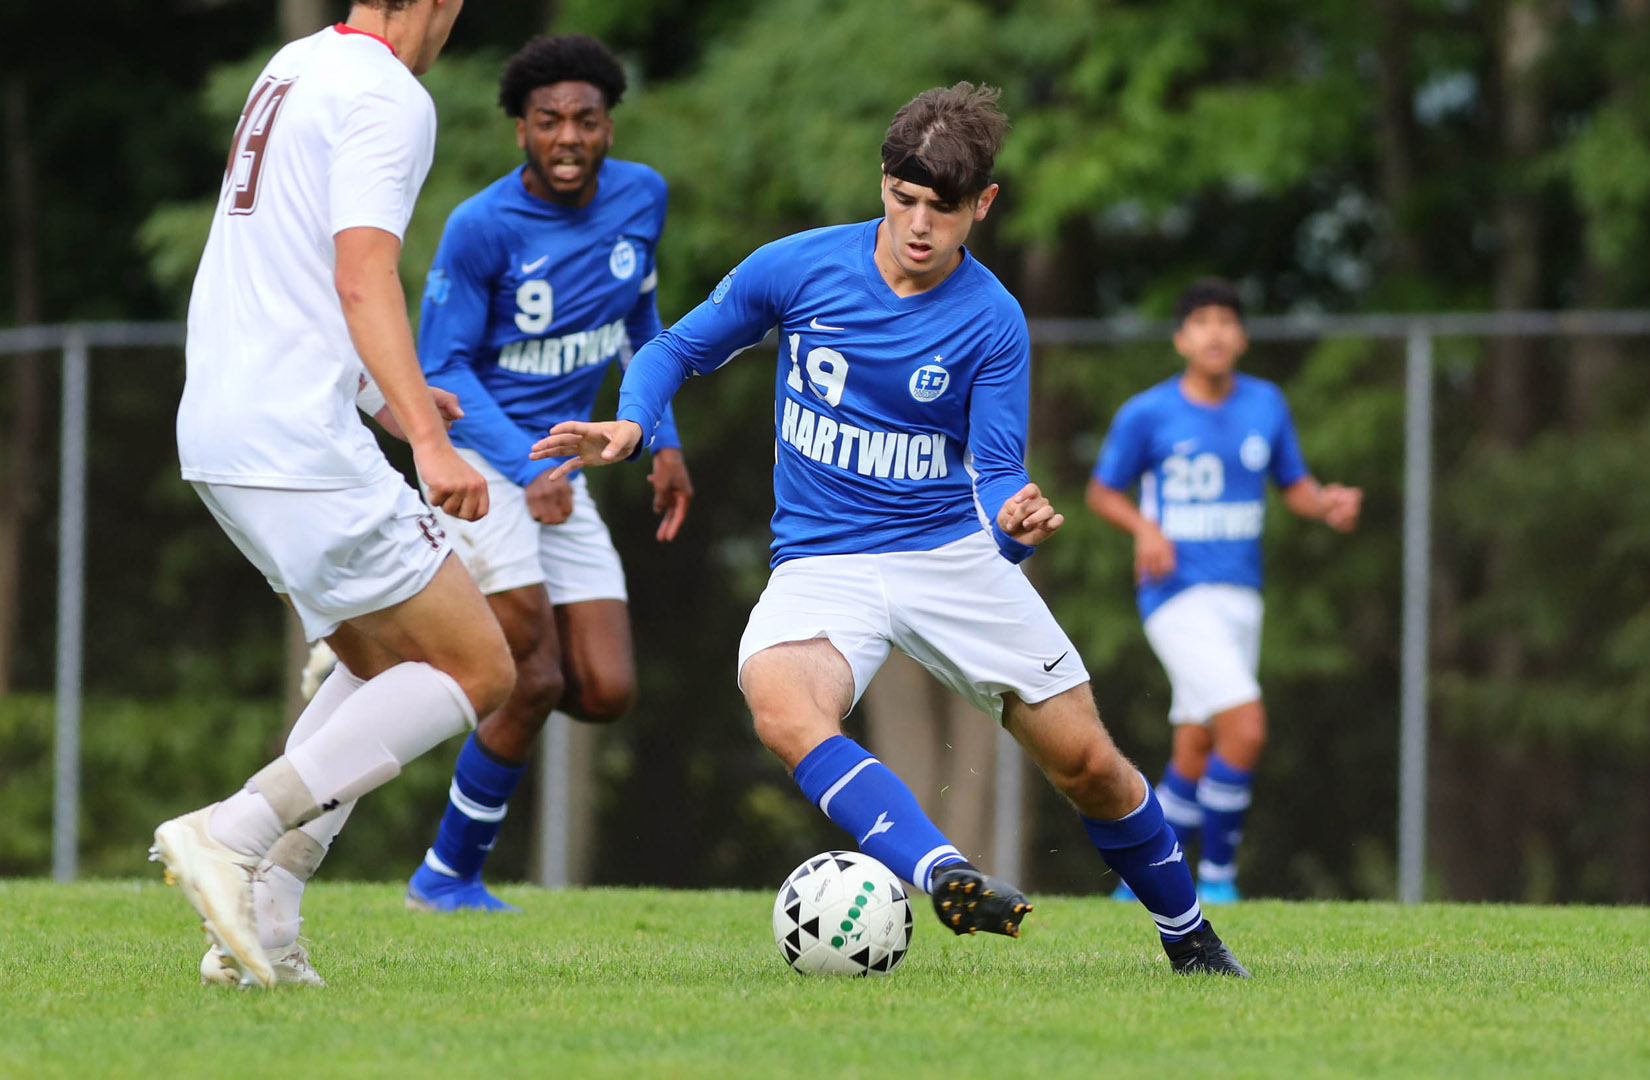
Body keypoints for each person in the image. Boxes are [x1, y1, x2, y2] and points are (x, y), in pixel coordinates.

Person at [531, 83, 1248, 975]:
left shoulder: (992, 320)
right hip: (821, 560)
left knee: (1088, 767)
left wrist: (1014, 522)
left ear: (983, 204)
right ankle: (941, 871)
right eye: (904, 199)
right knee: (781, 704)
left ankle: (1194, 941)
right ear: (882, 182)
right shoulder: (799, 268)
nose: (918, 224)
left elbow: (996, 473)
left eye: (942, 208)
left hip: (948, 553)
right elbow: (674, 348)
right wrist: (634, 423)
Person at [153, 0, 517, 990]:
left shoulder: (297, 63)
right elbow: (363, 276)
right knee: (479, 668)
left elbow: (291, 267)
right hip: (293, 438)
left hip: (225, 429)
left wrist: (384, 396)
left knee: (380, 659)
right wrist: (431, 443)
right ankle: (231, 835)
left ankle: (264, 925)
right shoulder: (387, 93)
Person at [393, 34, 695, 913]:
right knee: (533, 676)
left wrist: (661, 437)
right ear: (520, 130)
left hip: (562, 467)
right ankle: (445, 877)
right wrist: (526, 469)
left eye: (585, 120)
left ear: (609, 128)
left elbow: (641, 322)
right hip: (483, 465)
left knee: (602, 690)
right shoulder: (481, 226)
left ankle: (418, 650)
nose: (568, 137)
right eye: (549, 120)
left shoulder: (643, 196)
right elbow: (441, 368)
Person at [1085, 279, 1361, 904]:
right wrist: (1144, 527)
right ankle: (1217, 880)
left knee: (1196, 745)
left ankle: (1140, 880)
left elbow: (1294, 485)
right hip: (1175, 594)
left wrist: (1327, 503)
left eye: (1226, 321)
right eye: (1201, 321)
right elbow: (1102, 491)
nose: (1215, 332)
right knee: (1246, 728)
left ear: (1242, 337)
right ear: (1181, 339)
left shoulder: (1266, 404)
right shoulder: (1149, 413)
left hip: (1242, 596)